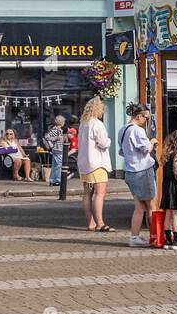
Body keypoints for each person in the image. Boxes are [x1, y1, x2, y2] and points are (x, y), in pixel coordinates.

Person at [118, 102, 157, 246]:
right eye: (145, 118)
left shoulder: (122, 130)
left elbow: (121, 151)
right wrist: (152, 141)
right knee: (152, 205)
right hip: (142, 171)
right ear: (139, 116)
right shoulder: (138, 131)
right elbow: (146, 148)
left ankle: (134, 238)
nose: (146, 121)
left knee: (139, 207)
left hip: (130, 171)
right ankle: (155, 236)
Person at [76, 96, 113, 232]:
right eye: (102, 109)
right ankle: (100, 223)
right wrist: (109, 141)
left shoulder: (83, 123)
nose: (102, 112)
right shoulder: (97, 124)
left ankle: (91, 222)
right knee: (100, 193)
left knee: (87, 193)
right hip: (97, 163)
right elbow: (103, 143)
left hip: (85, 163)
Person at [44, 115, 67, 186]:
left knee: (55, 165)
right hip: (57, 150)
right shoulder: (55, 130)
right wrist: (56, 138)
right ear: (61, 122)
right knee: (59, 165)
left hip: (57, 150)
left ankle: (52, 180)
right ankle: (57, 180)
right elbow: (46, 137)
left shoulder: (59, 130)